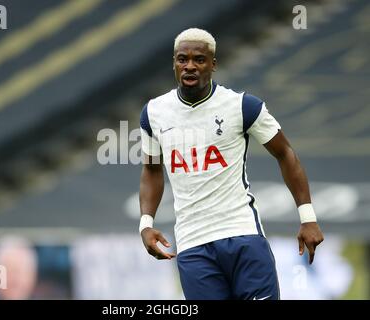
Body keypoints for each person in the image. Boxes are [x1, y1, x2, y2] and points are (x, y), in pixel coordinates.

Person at [138, 28, 324, 300]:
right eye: (182, 59)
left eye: (199, 59)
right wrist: (146, 223)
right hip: (193, 246)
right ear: (174, 64)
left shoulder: (242, 106)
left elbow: (285, 153)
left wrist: (307, 218)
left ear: (213, 64)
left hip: (243, 236)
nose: (190, 66)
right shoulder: (153, 113)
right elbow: (152, 169)